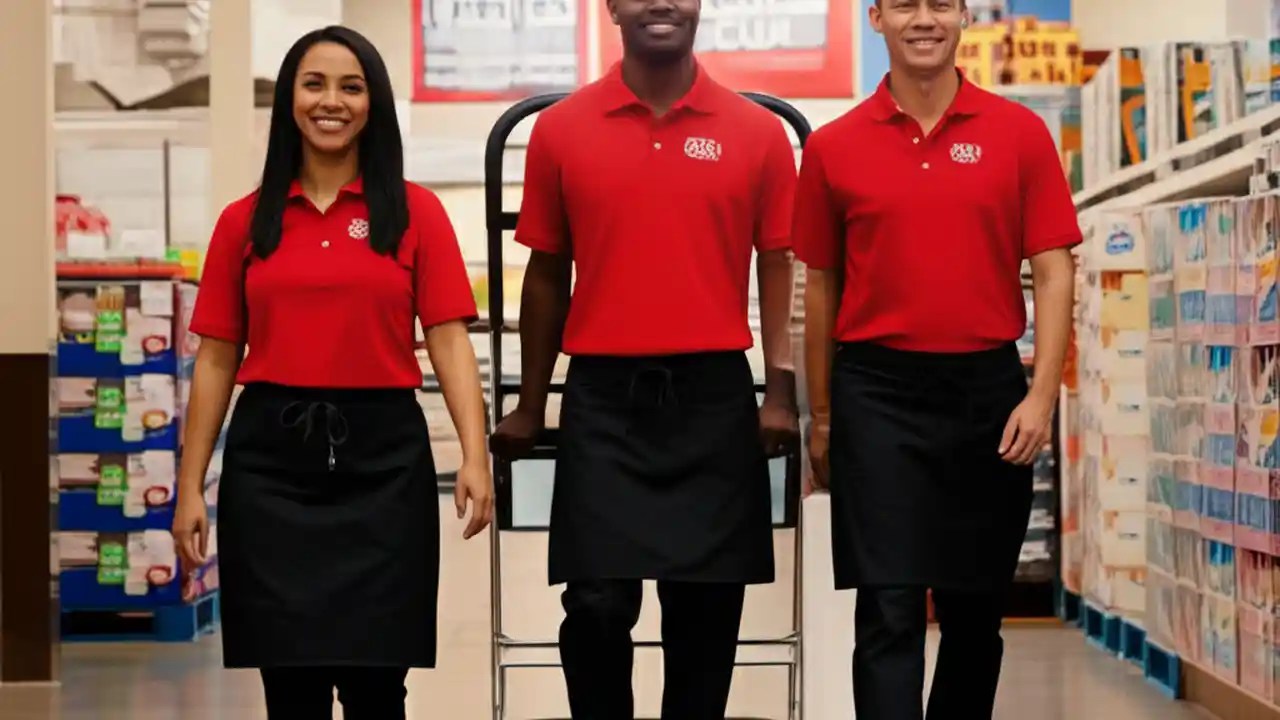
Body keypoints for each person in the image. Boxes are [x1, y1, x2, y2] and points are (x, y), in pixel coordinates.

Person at [487, 0, 801, 714]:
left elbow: (778, 264)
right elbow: (545, 271)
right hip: (603, 397)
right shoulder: (561, 130)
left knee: (706, 612)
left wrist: (780, 392)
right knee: (595, 603)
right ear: (612, 7)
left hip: (714, 396)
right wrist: (533, 404)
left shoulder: (756, 133)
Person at [171, 26, 493, 720]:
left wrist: (476, 453)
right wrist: (189, 486)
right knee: (291, 686)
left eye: (352, 86)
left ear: (374, 102)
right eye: (314, 84)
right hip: (269, 470)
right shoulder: (244, 223)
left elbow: (448, 340)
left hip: (385, 465)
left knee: (379, 685)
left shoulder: (415, 214)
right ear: (290, 97)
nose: (332, 102)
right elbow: (218, 359)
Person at [792, 1, 1079, 719]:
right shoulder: (833, 146)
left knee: (975, 612)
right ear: (876, 19)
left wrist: (1040, 396)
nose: (925, 20)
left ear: (962, 18)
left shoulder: (1020, 134)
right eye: (905, 5)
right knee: (886, 607)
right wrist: (822, 416)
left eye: (942, 4)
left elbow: (1053, 268)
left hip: (986, 391)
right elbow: (821, 284)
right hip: (875, 392)